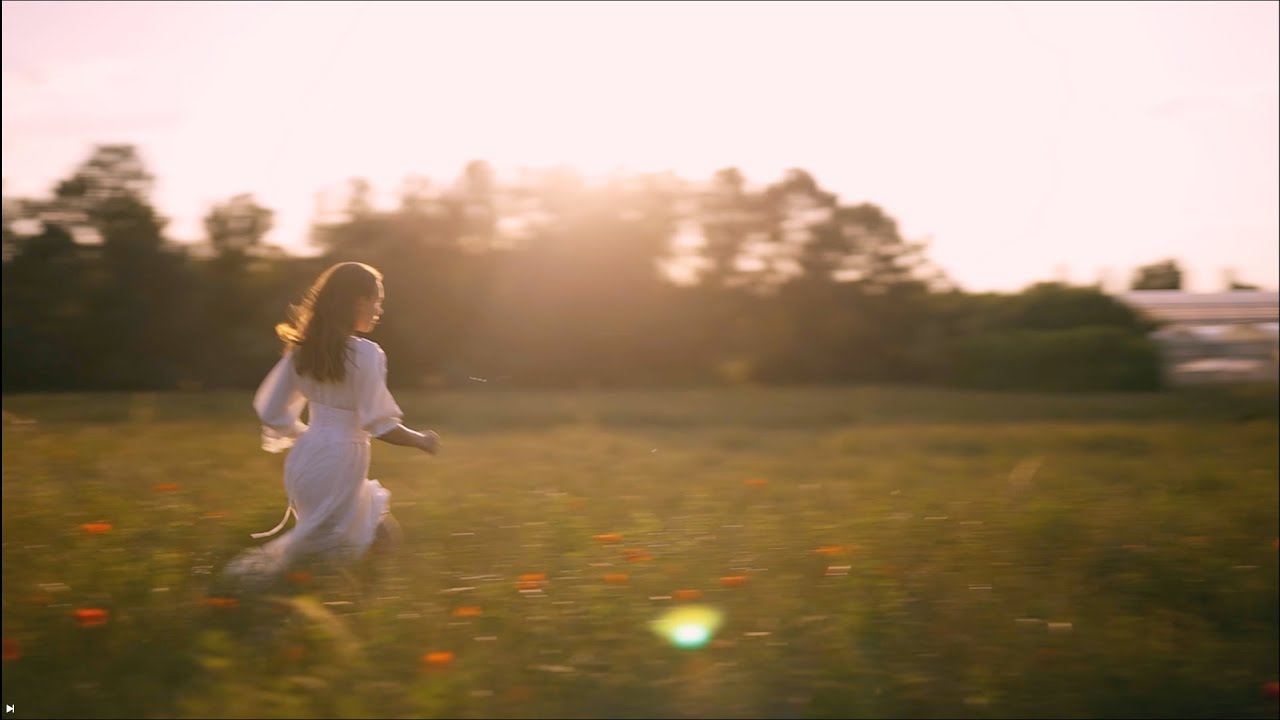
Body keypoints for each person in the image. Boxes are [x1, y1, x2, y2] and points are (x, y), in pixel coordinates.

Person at [224, 261, 438, 587]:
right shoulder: (366, 354)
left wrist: (311, 436)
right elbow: (379, 424)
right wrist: (421, 439)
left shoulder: (303, 350)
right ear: (356, 301)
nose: (379, 309)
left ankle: (348, 604)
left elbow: (270, 410)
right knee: (334, 552)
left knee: (377, 537)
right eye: (376, 300)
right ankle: (258, 591)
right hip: (339, 465)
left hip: (307, 462)